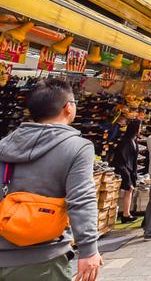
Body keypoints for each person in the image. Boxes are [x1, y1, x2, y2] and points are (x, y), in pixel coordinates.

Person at [0, 78, 102, 281]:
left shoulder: (5, 144)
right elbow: (81, 199)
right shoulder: (77, 147)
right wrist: (89, 249)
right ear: (68, 107)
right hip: (43, 258)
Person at [111, 119, 141, 223]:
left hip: (130, 170)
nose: (141, 129)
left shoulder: (133, 140)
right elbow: (121, 159)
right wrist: (127, 173)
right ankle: (124, 214)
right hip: (124, 170)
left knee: (129, 190)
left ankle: (126, 213)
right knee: (128, 190)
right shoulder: (126, 142)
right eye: (139, 127)